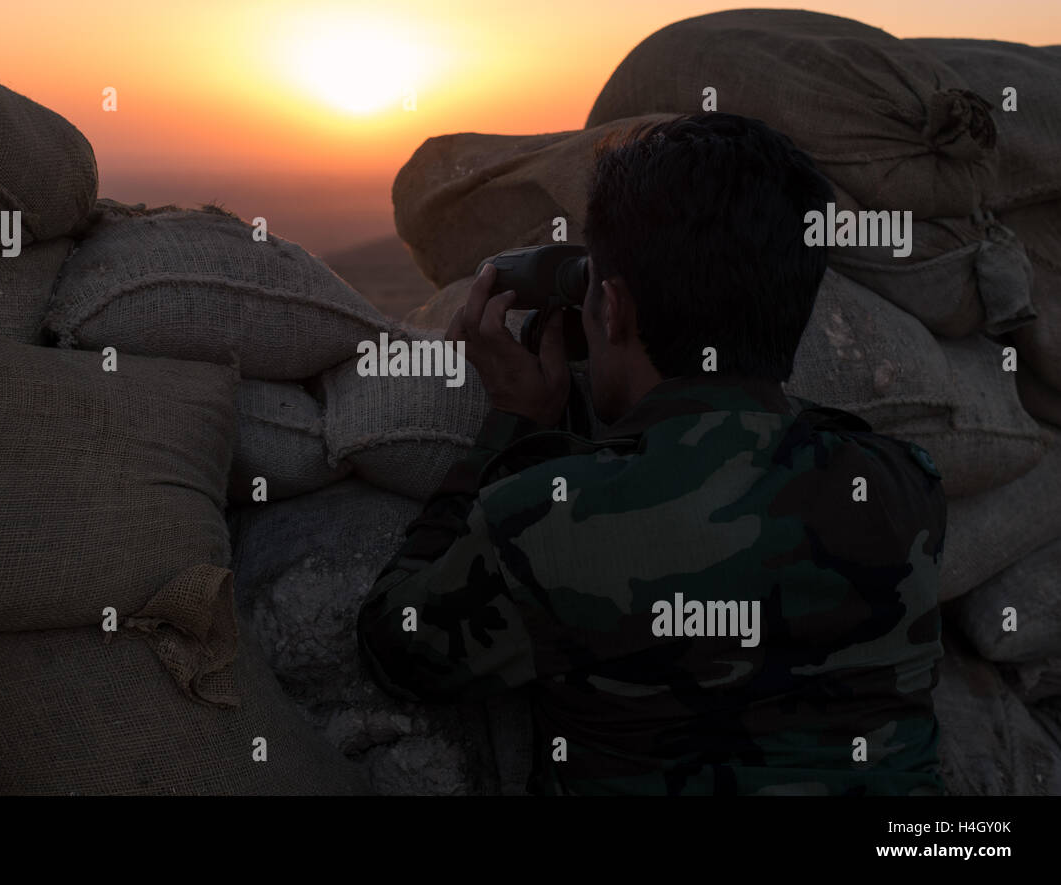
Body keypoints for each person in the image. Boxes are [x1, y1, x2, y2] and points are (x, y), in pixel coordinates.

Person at [355, 113, 946, 795]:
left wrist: (514, 426)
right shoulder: (906, 487)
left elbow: (395, 646)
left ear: (612, 307)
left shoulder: (554, 522)